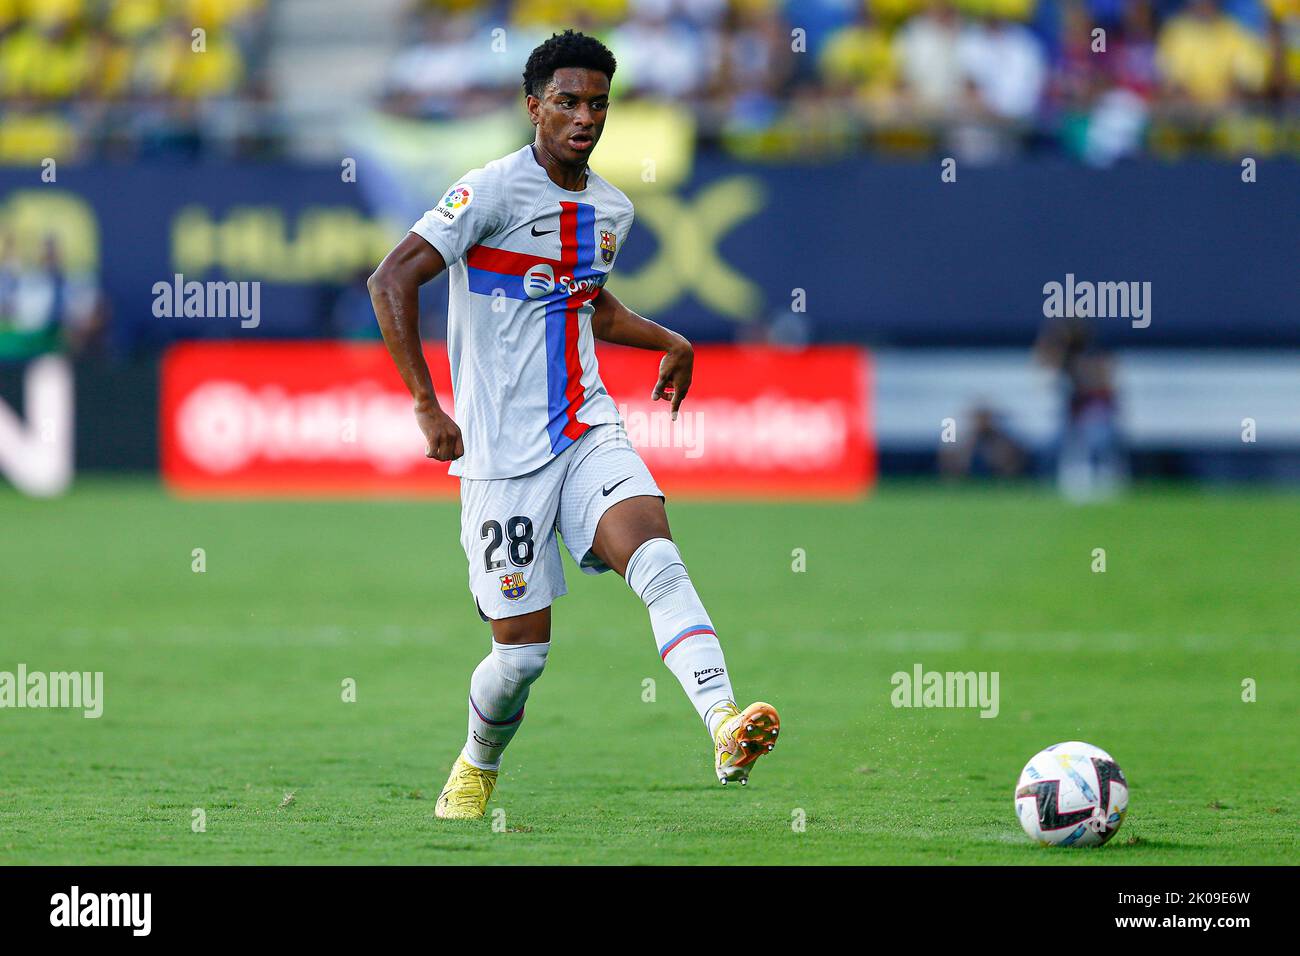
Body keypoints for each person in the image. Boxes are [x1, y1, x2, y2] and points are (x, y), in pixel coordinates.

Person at [367, 30, 779, 821]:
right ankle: (477, 763)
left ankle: (725, 723)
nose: (583, 117)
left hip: (586, 429)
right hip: (498, 458)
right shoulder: (487, 192)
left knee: (656, 557)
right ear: (533, 108)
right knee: (521, 657)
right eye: (567, 102)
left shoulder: (611, 209)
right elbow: (391, 279)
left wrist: (668, 338)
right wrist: (425, 402)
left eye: (596, 103)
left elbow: (586, 301)